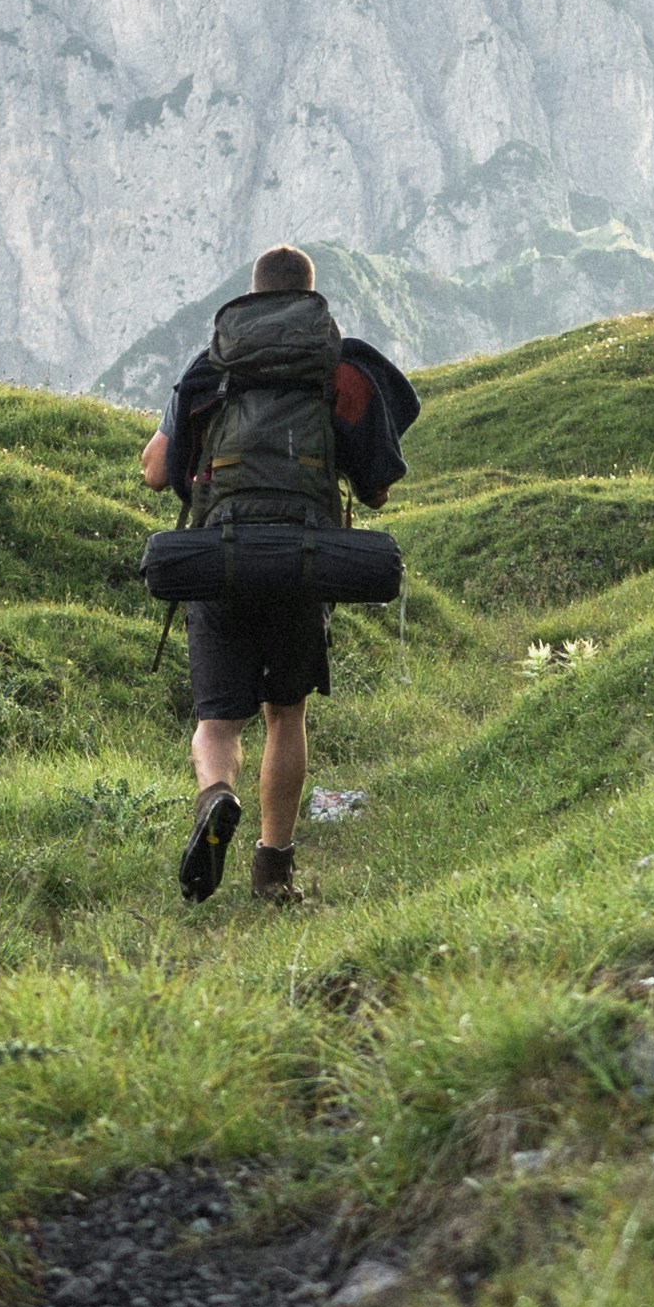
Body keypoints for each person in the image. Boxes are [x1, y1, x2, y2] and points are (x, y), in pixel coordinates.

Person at [139, 242, 416, 904]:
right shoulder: (337, 372)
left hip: (219, 557)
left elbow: (156, 471)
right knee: (285, 715)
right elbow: (377, 490)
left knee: (218, 720)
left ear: (254, 292)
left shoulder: (211, 366)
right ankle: (274, 871)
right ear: (309, 294)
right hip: (304, 559)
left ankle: (216, 796)